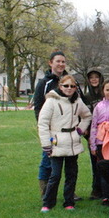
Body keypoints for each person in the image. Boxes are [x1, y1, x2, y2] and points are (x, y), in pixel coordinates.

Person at [37, 74, 92, 212]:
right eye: (66, 86)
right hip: (57, 141)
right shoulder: (51, 101)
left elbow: (87, 115)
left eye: (72, 86)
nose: (69, 88)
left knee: (71, 174)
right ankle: (48, 202)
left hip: (72, 141)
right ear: (60, 86)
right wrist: (46, 144)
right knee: (55, 175)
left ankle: (69, 201)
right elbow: (43, 123)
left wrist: (80, 130)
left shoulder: (77, 101)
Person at [32, 51, 68, 198]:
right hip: (50, 129)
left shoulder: (69, 81)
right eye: (58, 61)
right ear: (50, 63)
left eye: (63, 62)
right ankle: (45, 191)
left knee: (67, 161)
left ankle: (69, 191)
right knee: (47, 159)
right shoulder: (44, 83)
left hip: (66, 129)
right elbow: (38, 106)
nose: (60, 64)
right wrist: (43, 127)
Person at [81, 68, 104, 200]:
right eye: (91, 78)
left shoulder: (105, 94)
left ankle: (106, 188)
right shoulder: (86, 97)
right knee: (94, 162)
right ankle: (96, 189)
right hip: (92, 134)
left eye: (96, 77)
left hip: (106, 133)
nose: (94, 80)